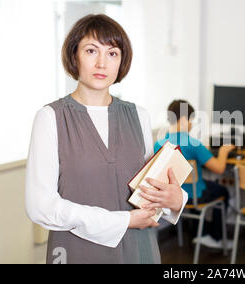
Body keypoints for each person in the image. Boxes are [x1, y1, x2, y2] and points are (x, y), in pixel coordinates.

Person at [25, 14, 188, 264]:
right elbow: (41, 206)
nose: (102, 63)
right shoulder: (50, 117)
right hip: (77, 251)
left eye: (112, 53)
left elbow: (147, 191)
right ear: (74, 55)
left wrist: (177, 201)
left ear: (121, 61)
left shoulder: (138, 116)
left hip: (139, 249)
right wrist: (123, 221)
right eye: (92, 51)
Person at [154, 100, 235, 249]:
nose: (191, 125)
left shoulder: (159, 143)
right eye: (191, 120)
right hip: (193, 195)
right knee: (222, 191)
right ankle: (215, 238)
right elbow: (219, 169)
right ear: (184, 120)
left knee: (200, 185)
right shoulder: (193, 143)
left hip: (172, 194)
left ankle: (200, 233)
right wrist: (224, 151)